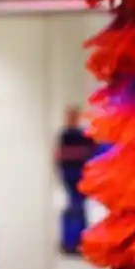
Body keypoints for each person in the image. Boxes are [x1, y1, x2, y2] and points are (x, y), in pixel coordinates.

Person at [55, 105, 99, 254]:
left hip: (80, 176)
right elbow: (60, 156)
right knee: (74, 208)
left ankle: (78, 241)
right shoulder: (65, 135)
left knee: (78, 208)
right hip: (71, 176)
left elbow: (91, 152)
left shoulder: (83, 135)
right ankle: (72, 242)